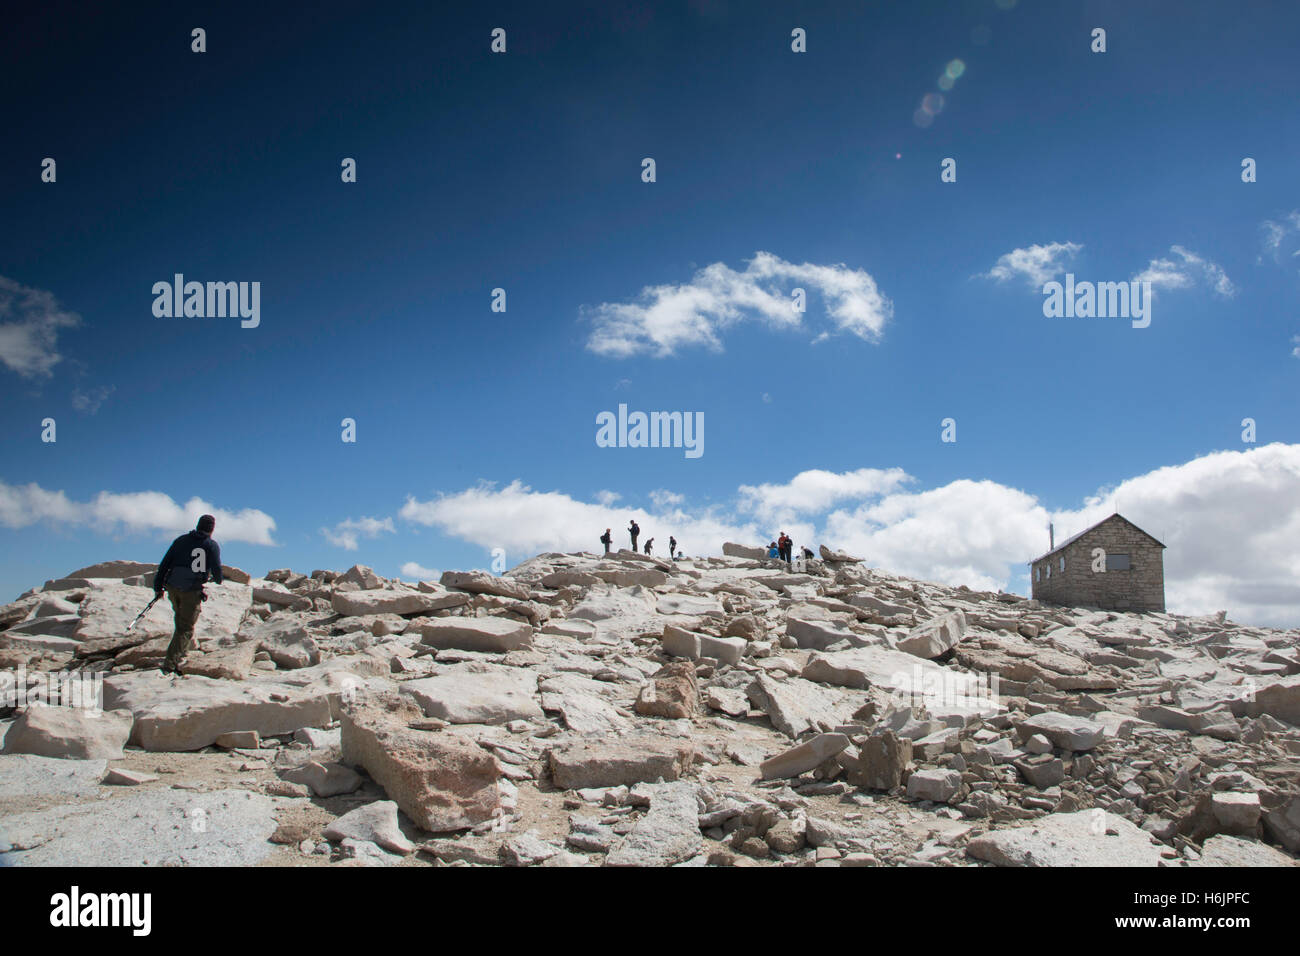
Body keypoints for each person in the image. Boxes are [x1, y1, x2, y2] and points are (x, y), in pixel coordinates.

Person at [155, 514, 223, 674]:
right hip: (191, 589)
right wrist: (219, 580)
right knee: (185, 627)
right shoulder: (211, 545)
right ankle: (170, 664)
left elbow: (165, 564)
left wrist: (158, 587)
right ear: (212, 529)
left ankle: (180, 651)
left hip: (172, 586)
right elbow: (216, 568)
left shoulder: (181, 540)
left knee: (180, 621)